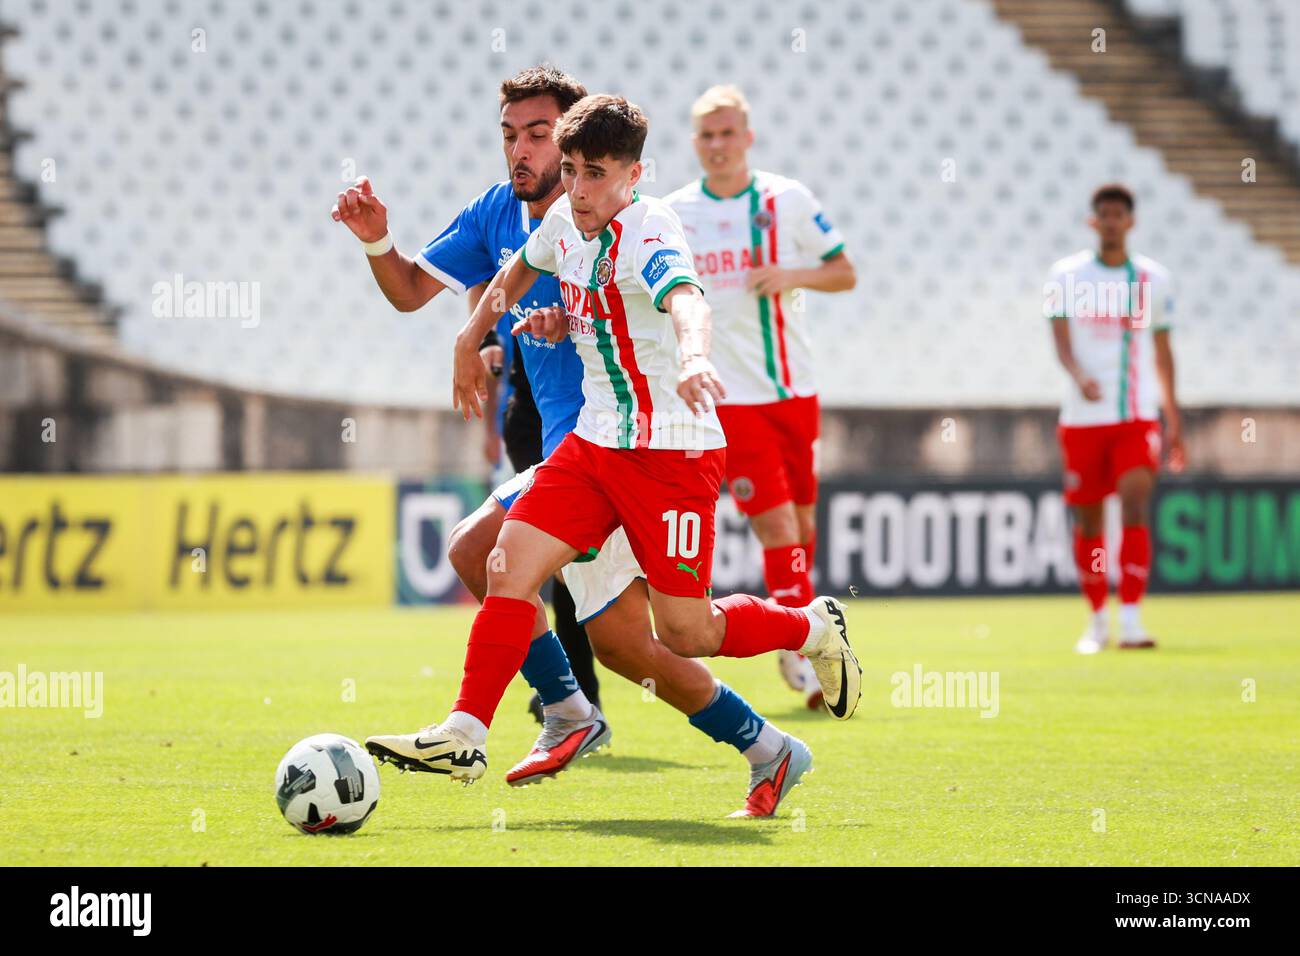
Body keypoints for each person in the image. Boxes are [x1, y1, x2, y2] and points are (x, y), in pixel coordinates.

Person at [335, 69, 828, 816]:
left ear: (626, 171)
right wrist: (477, 334)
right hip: (589, 448)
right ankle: (475, 729)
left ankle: (806, 636)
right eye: (521, 140)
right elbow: (509, 278)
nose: (543, 163)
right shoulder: (546, 217)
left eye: (553, 145)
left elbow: (685, 299)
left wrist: (696, 354)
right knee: (502, 562)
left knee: (672, 635)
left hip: (668, 451)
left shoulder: (650, 226)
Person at [665, 84, 856, 708]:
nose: (718, 145)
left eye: (728, 133)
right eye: (707, 136)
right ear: (695, 144)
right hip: (728, 399)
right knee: (775, 524)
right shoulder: (674, 214)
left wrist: (794, 274)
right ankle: (800, 648)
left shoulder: (787, 199)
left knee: (802, 522)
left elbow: (844, 270)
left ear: (747, 137)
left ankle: (798, 623)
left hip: (795, 391)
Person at [1044, 183, 1184, 654]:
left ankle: (1132, 618)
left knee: (1136, 505)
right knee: (1089, 523)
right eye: (1102, 213)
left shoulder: (1152, 280)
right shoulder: (1065, 276)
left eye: (1118, 214)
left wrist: (1174, 419)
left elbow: (1164, 354)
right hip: (1083, 420)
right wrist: (1080, 375)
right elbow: (1060, 342)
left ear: (1130, 221)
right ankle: (1097, 619)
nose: (1110, 220)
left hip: (1135, 416)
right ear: (1093, 221)